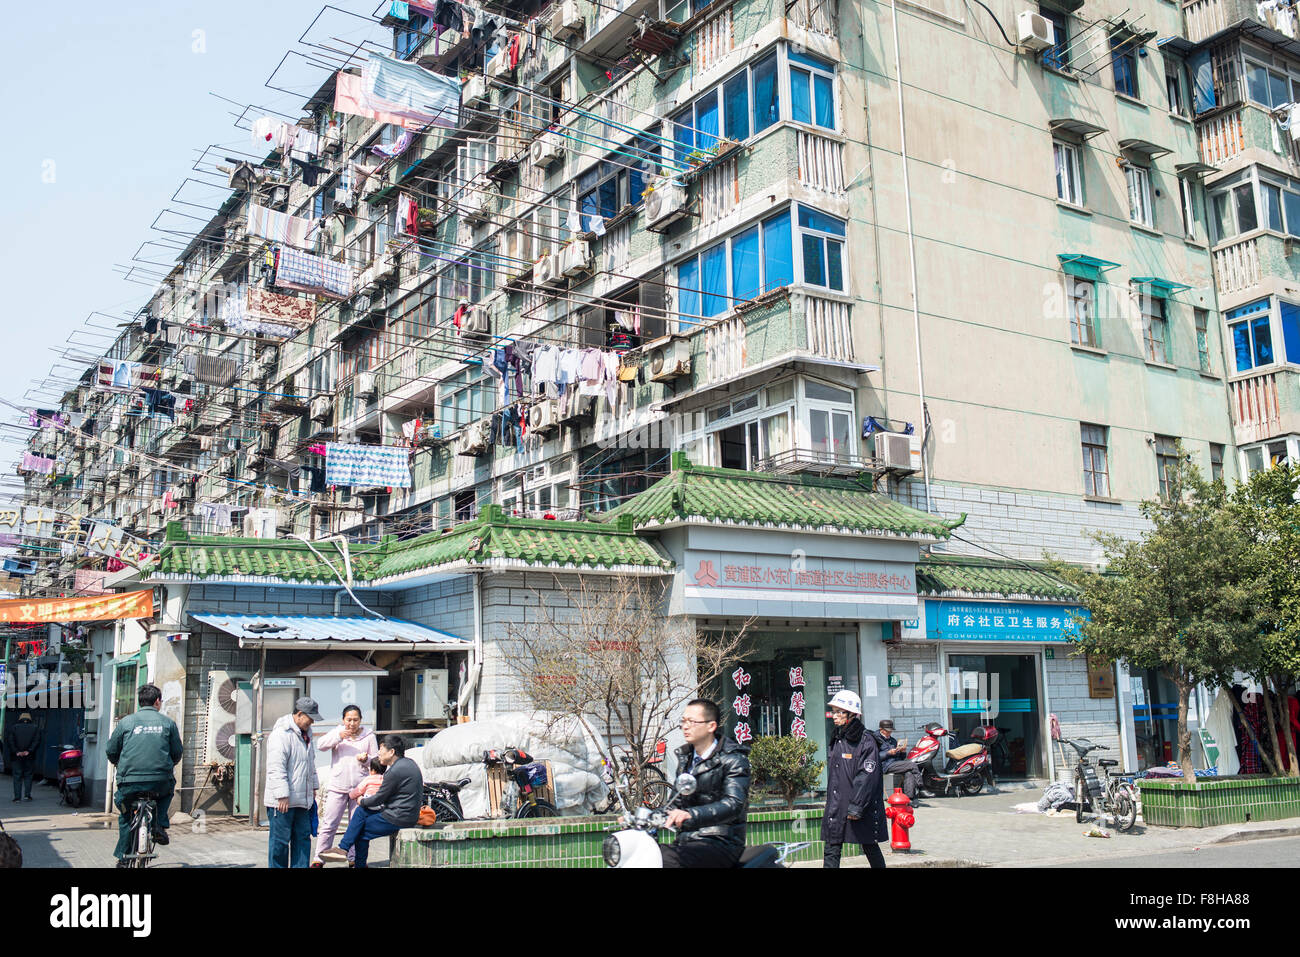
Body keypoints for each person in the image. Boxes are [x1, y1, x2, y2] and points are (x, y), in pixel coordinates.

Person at [660, 698, 750, 869]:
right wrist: (640, 817)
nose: (685, 726)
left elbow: (734, 804)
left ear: (711, 726)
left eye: (692, 722)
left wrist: (690, 815)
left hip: (722, 842)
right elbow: (673, 804)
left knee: (667, 861)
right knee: (649, 854)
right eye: (683, 721)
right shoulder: (686, 759)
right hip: (687, 841)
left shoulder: (734, 759)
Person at [104, 684, 184, 867]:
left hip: (129, 783)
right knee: (167, 791)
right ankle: (159, 824)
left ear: (140, 701)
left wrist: (119, 764)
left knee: (125, 815)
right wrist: (166, 767)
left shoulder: (126, 722)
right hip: (160, 782)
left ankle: (123, 858)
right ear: (157, 701)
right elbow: (177, 753)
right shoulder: (168, 723)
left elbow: (111, 750)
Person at [319, 734, 422, 867]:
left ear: (391, 752)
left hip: (399, 817)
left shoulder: (395, 771)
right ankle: (343, 849)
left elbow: (379, 798)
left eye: (381, 749)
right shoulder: (408, 763)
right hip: (403, 813)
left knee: (360, 832)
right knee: (362, 812)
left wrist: (361, 800)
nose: (378, 753)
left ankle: (353, 859)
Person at [822, 690, 887, 869]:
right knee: (831, 847)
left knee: (869, 845)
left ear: (852, 714)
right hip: (837, 803)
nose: (834, 716)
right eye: (833, 711)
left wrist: (856, 806)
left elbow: (867, 777)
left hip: (858, 805)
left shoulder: (866, 741)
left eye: (839, 712)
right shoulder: (837, 737)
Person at [312, 704, 377, 868]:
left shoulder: (368, 736)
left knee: (356, 825)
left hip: (359, 788)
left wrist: (366, 759)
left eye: (355, 720)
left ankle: (353, 858)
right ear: (343, 720)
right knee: (329, 824)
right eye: (349, 720)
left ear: (361, 720)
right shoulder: (338, 733)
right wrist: (339, 736)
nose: (352, 723)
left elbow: (377, 761)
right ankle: (319, 858)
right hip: (338, 786)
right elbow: (321, 745)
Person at [265, 696, 322, 869]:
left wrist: (313, 787)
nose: (311, 722)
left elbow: (311, 764)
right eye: (309, 718)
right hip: (283, 802)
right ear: (299, 715)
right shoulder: (281, 734)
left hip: (302, 801)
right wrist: (282, 795)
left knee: (303, 840)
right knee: (280, 844)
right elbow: (276, 767)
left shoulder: (307, 736)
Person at [874, 718, 923, 802]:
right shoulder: (874, 739)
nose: (890, 733)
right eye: (888, 731)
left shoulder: (892, 740)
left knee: (909, 772)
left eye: (891, 731)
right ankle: (921, 787)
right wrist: (888, 753)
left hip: (895, 763)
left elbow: (901, 758)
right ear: (881, 730)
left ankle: (910, 798)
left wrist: (902, 752)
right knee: (912, 765)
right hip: (884, 765)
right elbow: (874, 756)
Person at [4, 713, 40, 803]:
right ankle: (27, 796)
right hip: (30, 756)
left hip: (16, 757)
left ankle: (17, 797)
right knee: (28, 775)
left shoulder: (14, 727)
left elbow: (10, 741)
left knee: (17, 776)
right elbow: (37, 741)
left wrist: (17, 751)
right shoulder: (35, 728)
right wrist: (29, 751)